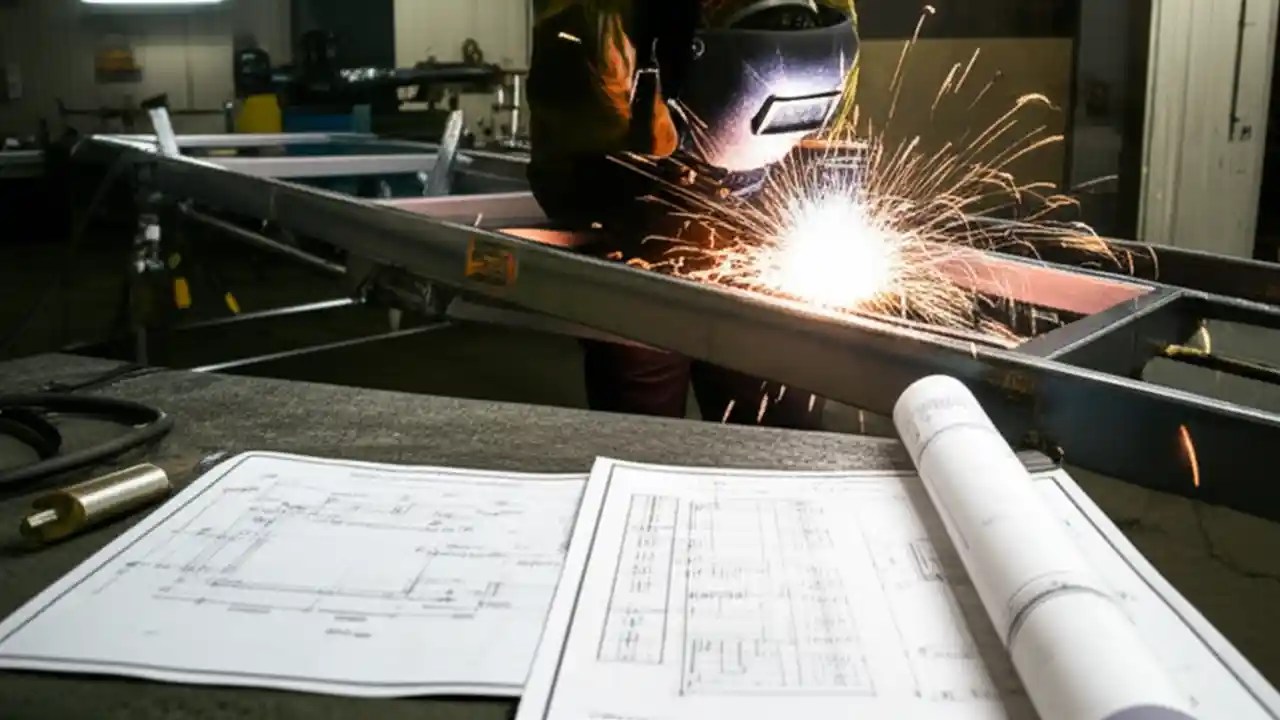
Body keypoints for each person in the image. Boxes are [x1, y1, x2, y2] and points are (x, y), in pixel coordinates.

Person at [527, 0, 855, 428]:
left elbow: (833, 63)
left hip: (754, 201)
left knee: (776, 421)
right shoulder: (592, 30)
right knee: (644, 419)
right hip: (633, 195)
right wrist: (643, 133)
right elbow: (580, 95)